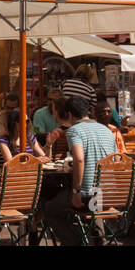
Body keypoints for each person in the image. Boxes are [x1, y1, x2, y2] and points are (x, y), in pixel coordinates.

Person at [42, 95, 117, 246]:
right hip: (110, 194)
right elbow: (115, 160)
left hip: (89, 195)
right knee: (94, 204)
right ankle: (98, 240)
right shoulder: (107, 130)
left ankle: (74, 242)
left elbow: (79, 159)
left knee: (49, 209)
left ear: (69, 114)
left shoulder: (74, 131)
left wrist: (77, 191)